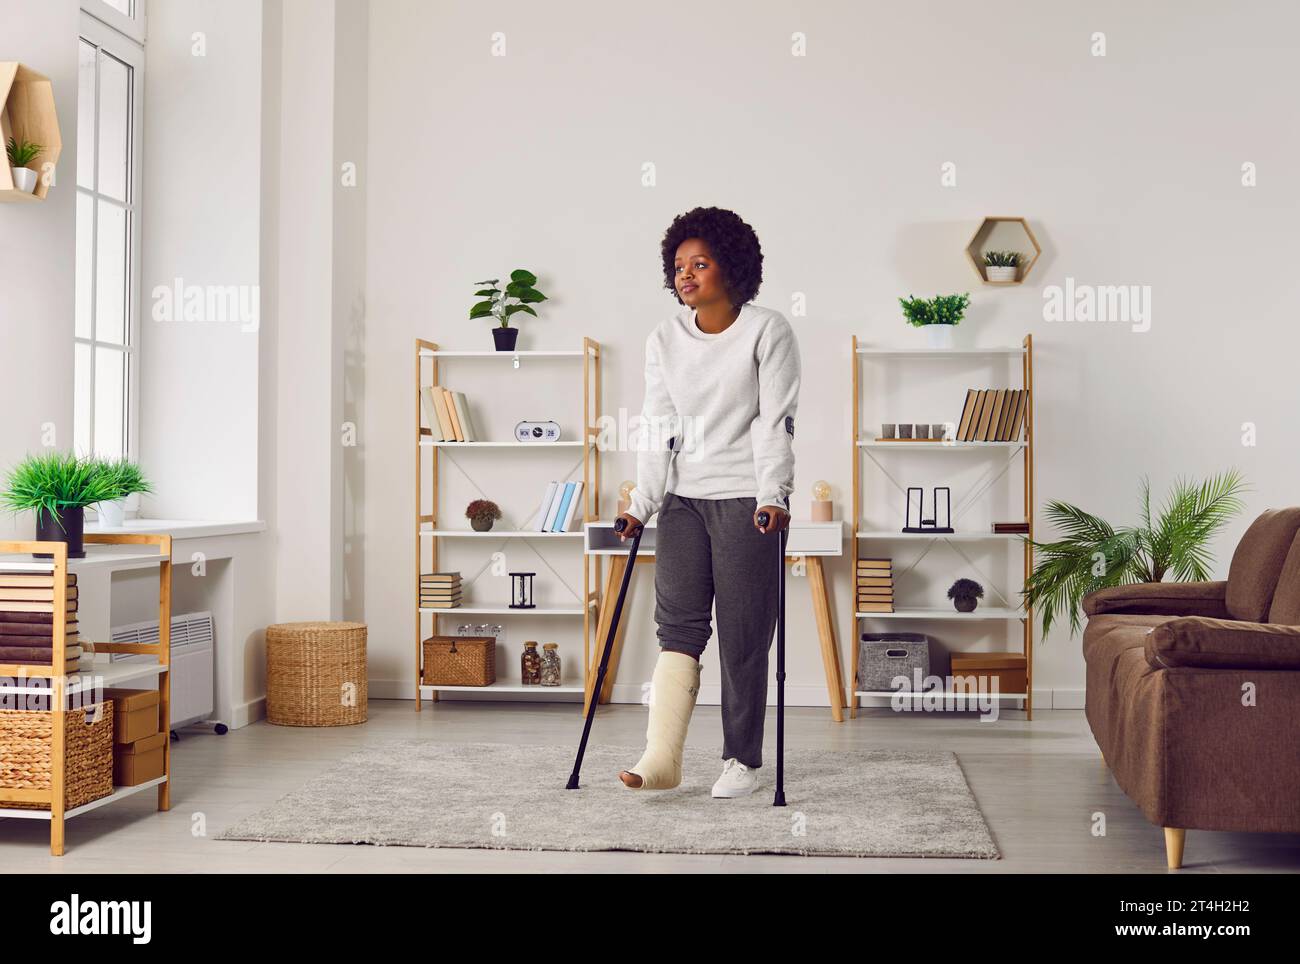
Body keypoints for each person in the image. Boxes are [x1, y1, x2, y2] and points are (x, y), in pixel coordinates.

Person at [615, 206, 800, 799]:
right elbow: (656, 425)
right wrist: (643, 502)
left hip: (746, 500)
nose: (686, 275)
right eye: (678, 266)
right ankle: (661, 758)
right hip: (683, 502)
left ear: (732, 266)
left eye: (700, 263)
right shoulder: (665, 338)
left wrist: (774, 494)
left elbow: (776, 422)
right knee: (679, 628)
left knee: (744, 635)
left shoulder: (768, 331)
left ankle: (741, 761)